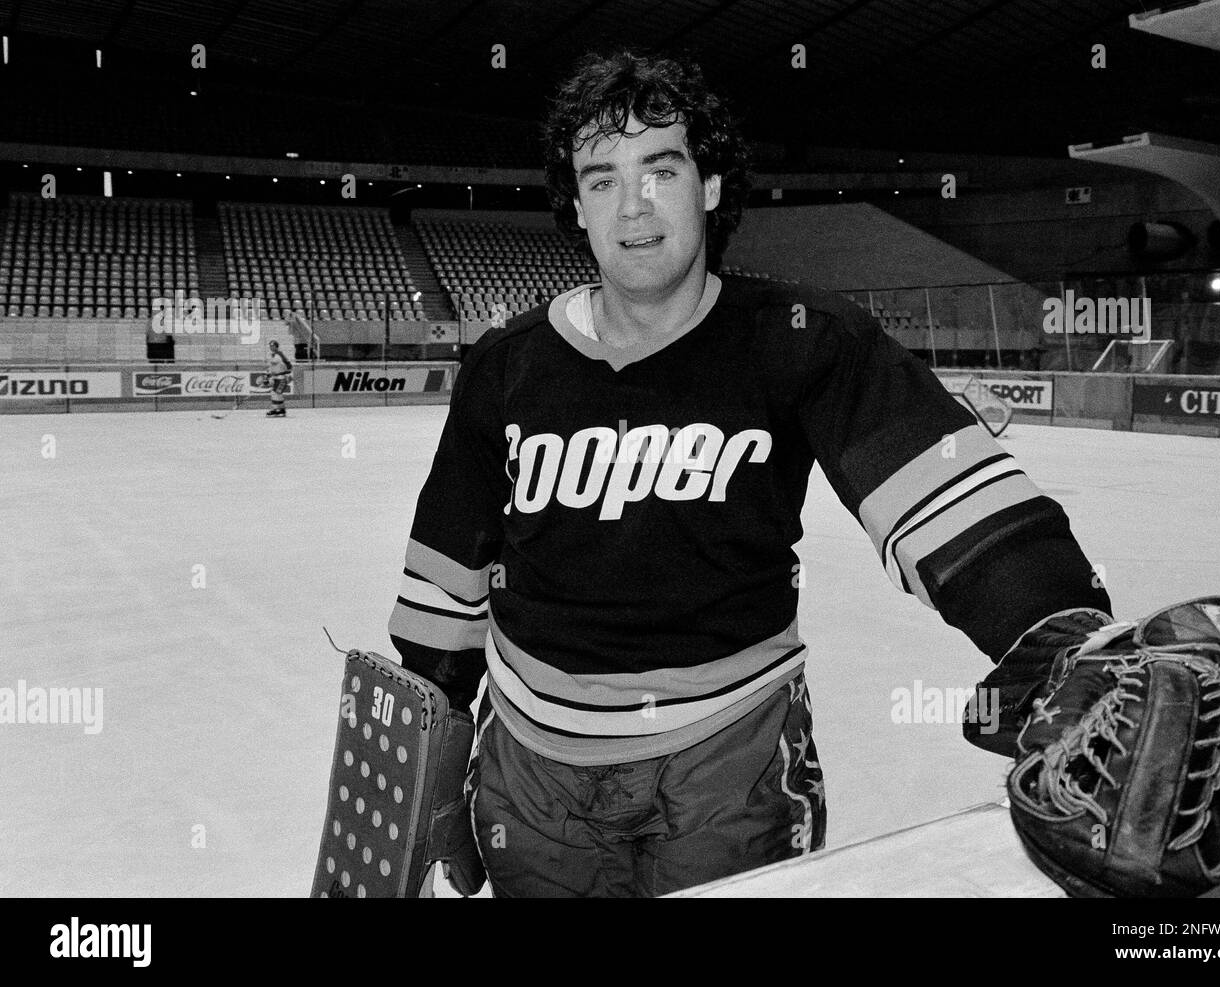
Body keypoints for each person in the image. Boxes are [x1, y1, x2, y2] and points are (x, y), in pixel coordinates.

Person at [386, 50, 1111, 897]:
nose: (634, 206)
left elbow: (939, 494)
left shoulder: (802, 336)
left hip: (732, 769)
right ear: (575, 205)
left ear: (712, 185)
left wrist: (1068, 639)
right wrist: (427, 749)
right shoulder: (505, 365)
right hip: (532, 782)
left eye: (662, 167)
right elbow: (446, 572)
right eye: (601, 178)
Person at [266, 339, 292, 417]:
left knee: (275, 393)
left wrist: (286, 373)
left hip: (282, 378)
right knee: (278, 394)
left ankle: (274, 410)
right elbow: (271, 367)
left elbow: (289, 366)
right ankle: (281, 410)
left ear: (277, 346)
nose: (271, 347)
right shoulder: (270, 355)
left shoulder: (280, 354)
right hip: (275, 378)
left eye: (273, 346)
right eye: (270, 346)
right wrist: (268, 374)